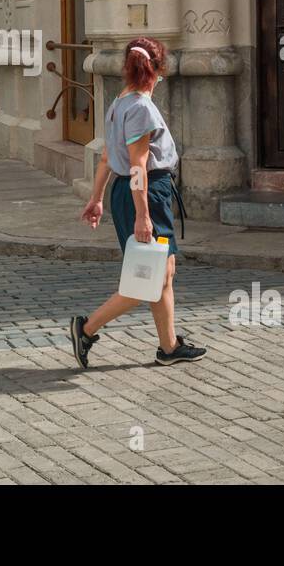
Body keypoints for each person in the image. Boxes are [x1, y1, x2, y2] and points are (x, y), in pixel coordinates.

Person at [69, 37, 205, 369]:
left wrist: (97, 198)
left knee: (164, 273)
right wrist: (143, 214)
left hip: (126, 192)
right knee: (148, 278)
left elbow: (105, 157)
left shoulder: (119, 103)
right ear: (157, 70)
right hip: (144, 194)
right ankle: (86, 329)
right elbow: (138, 167)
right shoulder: (141, 107)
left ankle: (169, 347)